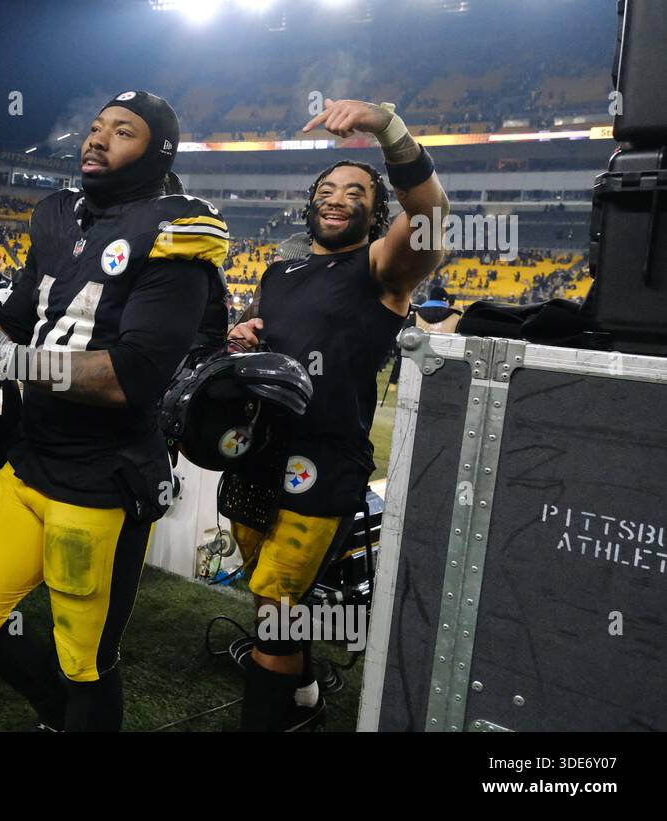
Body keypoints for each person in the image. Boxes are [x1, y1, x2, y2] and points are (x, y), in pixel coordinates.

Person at [0, 91, 229, 731]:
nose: (97, 140)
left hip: (103, 481)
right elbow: (12, 325)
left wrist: (3, 358)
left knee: (86, 661)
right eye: (96, 127)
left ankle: (78, 714)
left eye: (123, 132)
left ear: (158, 153)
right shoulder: (53, 218)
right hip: (29, 464)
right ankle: (57, 713)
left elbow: (127, 377)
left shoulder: (176, 234)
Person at [227, 99, 449, 731]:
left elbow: (432, 220)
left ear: (376, 212)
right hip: (256, 451)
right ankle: (305, 700)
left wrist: (387, 127)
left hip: (321, 461)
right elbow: (276, 342)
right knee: (270, 598)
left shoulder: (381, 266)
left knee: (276, 611)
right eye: (327, 188)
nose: (336, 197)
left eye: (355, 191)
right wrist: (248, 335)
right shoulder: (280, 269)